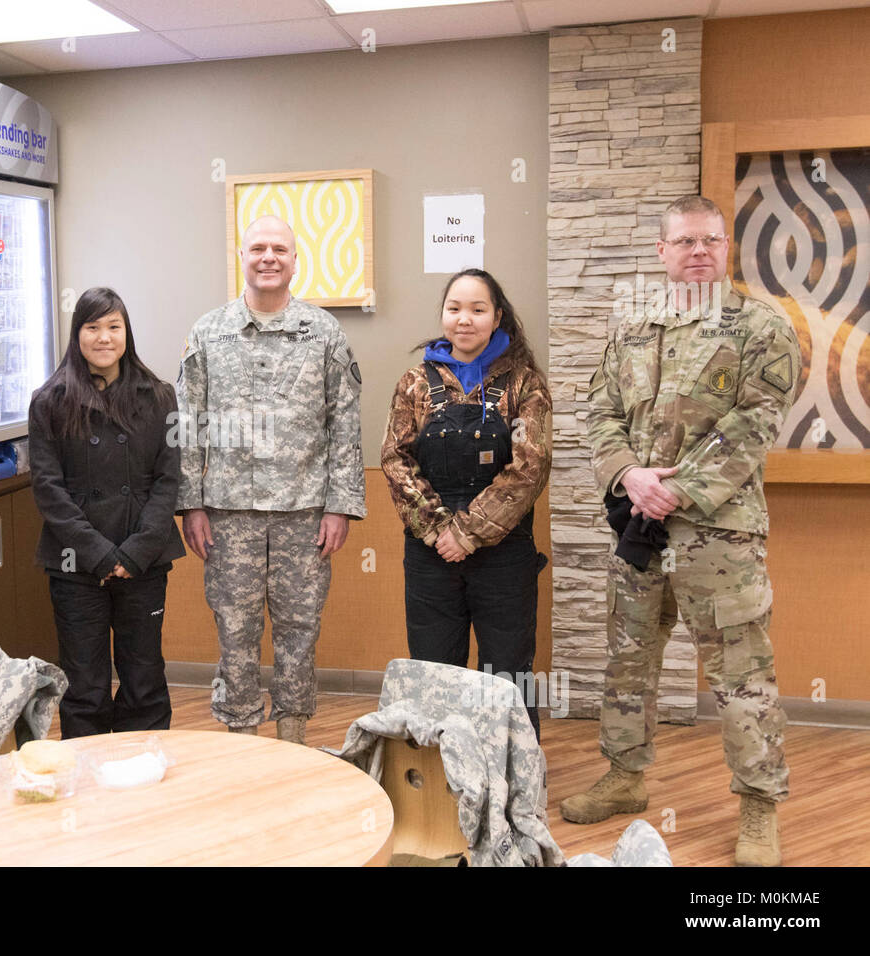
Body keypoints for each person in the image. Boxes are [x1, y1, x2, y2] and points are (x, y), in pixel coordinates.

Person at [562, 195, 800, 867]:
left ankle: (758, 806)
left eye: (712, 241)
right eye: (686, 241)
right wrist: (629, 475)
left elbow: (753, 424)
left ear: (727, 250)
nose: (700, 251)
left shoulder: (760, 328)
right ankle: (626, 775)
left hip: (719, 538)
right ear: (661, 253)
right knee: (628, 660)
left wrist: (677, 490)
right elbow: (599, 411)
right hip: (640, 529)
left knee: (741, 675)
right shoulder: (632, 330)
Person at [176, 215, 366, 744]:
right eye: (258, 247)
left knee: (299, 632)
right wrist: (190, 503)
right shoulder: (208, 332)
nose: (268, 257)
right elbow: (187, 425)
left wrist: (340, 505)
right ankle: (240, 739)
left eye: (279, 249)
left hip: (304, 515)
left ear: (294, 259)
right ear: (241, 256)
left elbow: (344, 422)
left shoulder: (324, 331)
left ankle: (292, 736)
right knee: (235, 632)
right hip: (227, 515)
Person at [380, 268, 552, 738]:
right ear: (443, 314)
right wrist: (439, 531)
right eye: (455, 308)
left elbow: (530, 467)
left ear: (497, 317)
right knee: (434, 671)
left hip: (503, 555)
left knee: (509, 674)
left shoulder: (525, 384)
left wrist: (468, 533)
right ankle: (439, 786)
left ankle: (515, 782)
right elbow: (395, 460)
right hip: (430, 553)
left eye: (478, 309)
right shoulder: (415, 383)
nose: (465, 319)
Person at [28, 287, 184, 738]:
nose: (103, 337)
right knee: (85, 684)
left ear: (126, 333)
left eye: (113, 326)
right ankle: (88, 786)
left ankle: (148, 772)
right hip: (76, 564)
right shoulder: (50, 400)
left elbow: (167, 481)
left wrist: (135, 552)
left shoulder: (159, 396)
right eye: (92, 327)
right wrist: (99, 554)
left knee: (144, 679)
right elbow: (48, 488)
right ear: (77, 334)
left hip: (144, 560)